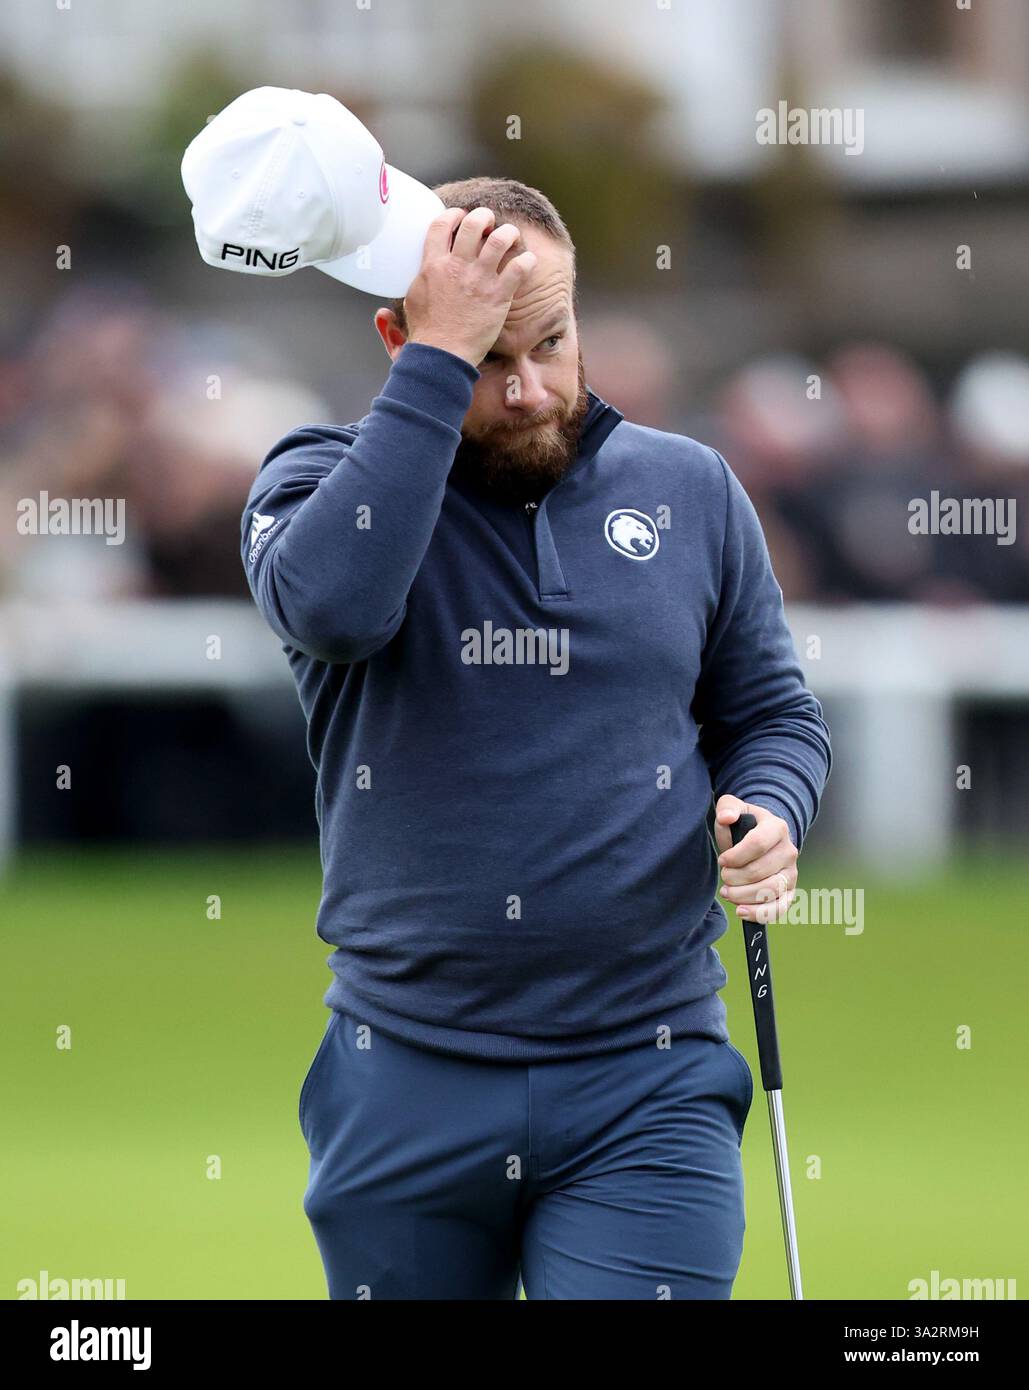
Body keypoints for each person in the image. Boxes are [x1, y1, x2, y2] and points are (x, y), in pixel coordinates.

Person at [240, 178, 832, 1300]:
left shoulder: (689, 489)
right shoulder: (315, 482)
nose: (528, 390)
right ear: (399, 341)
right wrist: (437, 362)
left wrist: (773, 809)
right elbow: (336, 608)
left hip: (645, 1071)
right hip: (403, 1071)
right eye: (487, 358)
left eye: (552, 344)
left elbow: (772, 714)